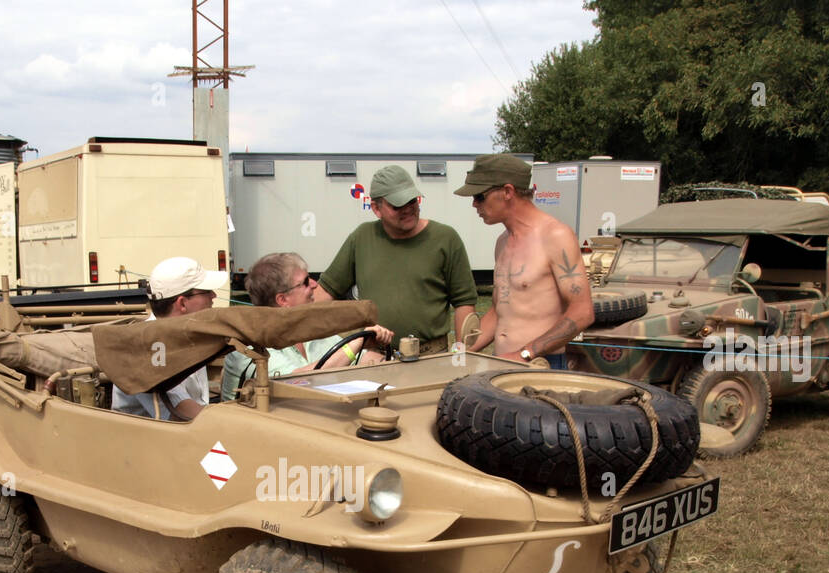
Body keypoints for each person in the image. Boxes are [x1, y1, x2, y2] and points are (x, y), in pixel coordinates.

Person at [316, 165, 477, 353]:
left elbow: (464, 303)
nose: (408, 209)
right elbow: (326, 292)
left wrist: (462, 357)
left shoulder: (445, 239)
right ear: (376, 208)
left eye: (412, 201)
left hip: (430, 358)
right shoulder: (361, 238)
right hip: (376, 358)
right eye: (397, 205)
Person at [456, 153, 594, 368]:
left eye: (479, 196)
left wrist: (525, 354)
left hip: (539, 366)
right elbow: (498, 310)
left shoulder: (555, 236)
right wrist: (457, 351)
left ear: (508, 191)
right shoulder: (502, 242)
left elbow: (582, 312)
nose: (474, 204)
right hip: (502, 365)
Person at [220, 253, 394, 400]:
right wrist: (355, 344)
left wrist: (377, 352)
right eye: (304, 282)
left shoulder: (309, 331)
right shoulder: (246, 347)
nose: (315, 284)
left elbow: (354, 358)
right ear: (283, 300)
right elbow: (296, 381)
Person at [111, 256, 228, 420]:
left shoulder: (184, 335)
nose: (214, 296)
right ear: (182, 304)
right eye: (206, 291)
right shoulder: (146, 348)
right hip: (152, 441)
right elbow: (182, 413)